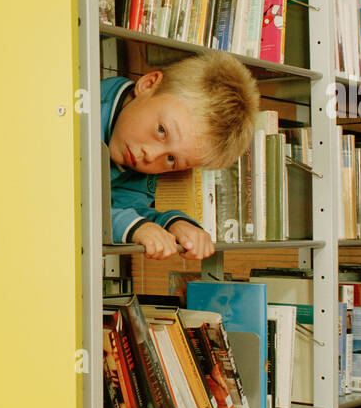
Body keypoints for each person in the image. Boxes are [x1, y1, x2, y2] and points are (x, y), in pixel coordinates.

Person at [102, 51, 259, 260]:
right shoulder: (79, 110)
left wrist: (173, 223)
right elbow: (62, 202)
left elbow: (128, 205)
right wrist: (129, 225)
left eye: (171, 160)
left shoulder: (137, 155)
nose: (151, 155)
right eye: (161, 130)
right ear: (148, 84)